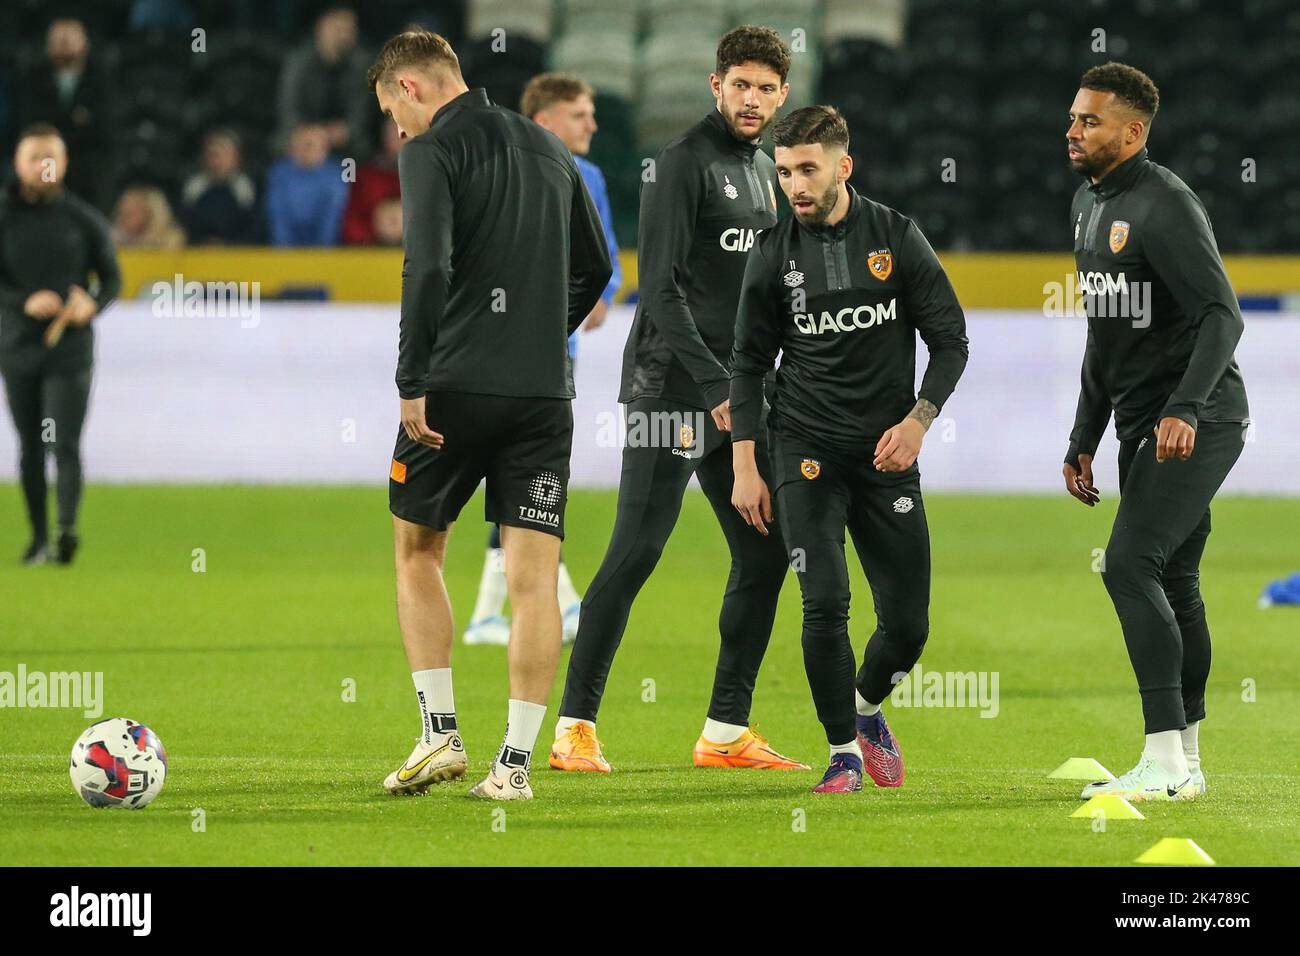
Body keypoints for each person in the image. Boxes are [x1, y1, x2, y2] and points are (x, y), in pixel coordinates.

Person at [549, 27, 805, 775]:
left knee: (764, 555)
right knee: (636, 551)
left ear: (782, 95)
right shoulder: (679, 165)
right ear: (714, 85)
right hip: (671, 392)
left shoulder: (765, 174)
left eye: (766, 88)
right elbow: (656, 291)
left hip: (736, 398)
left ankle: (725, 730)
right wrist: (720, 385)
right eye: (740, 85)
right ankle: (574, 729)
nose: (752, 99)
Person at [368, 31, 611, 800]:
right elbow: (599, 266)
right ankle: (514, 767)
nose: (397, 129)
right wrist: (542, 333)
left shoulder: (431, 149)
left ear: (409, 87)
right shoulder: (548, 149)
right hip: (543, 396)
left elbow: (428, 263)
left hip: (453, 389)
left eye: (390, 110)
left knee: (417, 548)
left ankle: (440, 736)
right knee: (534, 579)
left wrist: (413, 378)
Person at [730, 106, 969, 793]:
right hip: (803, 451)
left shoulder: (896, 237)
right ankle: (843, 753)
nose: (795, 185)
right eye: (782, 172)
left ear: (843, 166)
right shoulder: (772, 254)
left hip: (887, 456)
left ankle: (866, 709)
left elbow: (950, 341)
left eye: (808, 168)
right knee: (824, 602)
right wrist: (746, 464)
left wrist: (920, 421)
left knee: (908, 626)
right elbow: (747, 364)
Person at [1062, 63, 1250, 803]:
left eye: (1090, 120)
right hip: (1144, 422)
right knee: (1174, 579)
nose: (1073, 130)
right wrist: (1084, 434)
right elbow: (1104, 336)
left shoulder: (1165, 205)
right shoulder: (1085, 203)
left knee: (1128, 563)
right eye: (1074, 117)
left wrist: (1186, 408)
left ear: (1133, 132)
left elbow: (1221, 315)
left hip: (1198, 420)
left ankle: (1166, 759)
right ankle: (1186, 762)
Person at [462, 72, 622, 648]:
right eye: (581, 114)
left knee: (524, 480)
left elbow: (604, 259)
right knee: (522, 479)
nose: (593, 125)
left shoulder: (591, 176)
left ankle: (493, 612)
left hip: (559, 353)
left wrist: (602, 296)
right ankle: (553, 600)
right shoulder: (505, 164)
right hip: (507, 349)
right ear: (547, 119)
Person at [0, 124, 121, 565]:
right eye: (34, 157)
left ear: (64, 164)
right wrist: (22, 301)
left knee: (64, 443)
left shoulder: (83, 219)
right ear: (18, 163)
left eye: (51, 157)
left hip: (69, 350)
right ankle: (37, 538)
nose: (42, 166)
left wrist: (92, 305)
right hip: (16, 347)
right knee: (30, 444)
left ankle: (65, 530)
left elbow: (112, 279)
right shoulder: (4, 217)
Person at [17, 18, 116, 211]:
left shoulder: (102, 81)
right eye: (58, 40)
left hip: (88, 167)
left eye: (69, 39)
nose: (64, 46)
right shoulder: (33, 80)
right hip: (46, 162)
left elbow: (105, 130)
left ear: (85, 43)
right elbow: (32, 125)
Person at [277, 5, 375, 162]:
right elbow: (288, 110)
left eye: (349, 30)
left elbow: (360, 117)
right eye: (338, 28)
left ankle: (350, 184)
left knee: (361, 147)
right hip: (303, 134)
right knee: (282, 143)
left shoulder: (361, 64)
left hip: (342, 139)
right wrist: (308, 133)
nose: (343, 36)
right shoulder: (298, 61)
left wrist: (334, 133)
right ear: (321, 28)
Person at [264, 123, 348, 247]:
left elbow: (331, 220)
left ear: (324, 148)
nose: (304, 150)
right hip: (285, 250)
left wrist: (321, 255)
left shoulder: (337, 175)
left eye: (310, 145)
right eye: (299, 144)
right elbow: (278, 217)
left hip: (324, 251)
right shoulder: (279, 173)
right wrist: (285, 253)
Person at [179, 129, 262, 245]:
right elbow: (183, 226)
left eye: (225, 154)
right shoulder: (193, 188)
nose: (218, 160)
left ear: (237, 158)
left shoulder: (250, 189)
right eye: (213, 154)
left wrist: (227, 245)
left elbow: (256, 230)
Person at [342, 119, 401, 245]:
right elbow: (350, 221)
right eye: (392, 133)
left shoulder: (429, 176)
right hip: (369, 251)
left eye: (403, 132)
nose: (397, 137)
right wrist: (374, 231)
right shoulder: (366, 176)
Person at [111, 185, 185, 250]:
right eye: (125, 213)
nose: (128, 218)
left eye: (134, 212)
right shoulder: (113, 237)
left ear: (150, 211)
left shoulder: (171, 237)